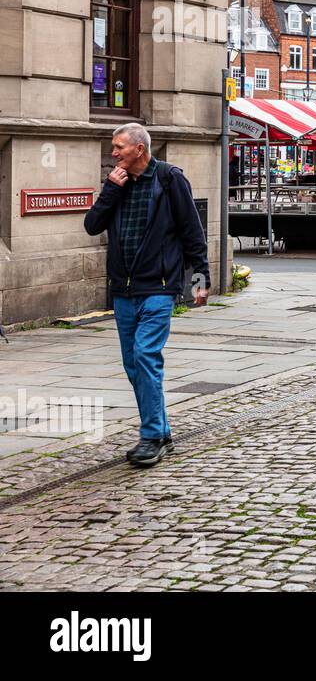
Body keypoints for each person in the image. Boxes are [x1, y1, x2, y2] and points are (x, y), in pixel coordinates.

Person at [82, 124, 209, 469]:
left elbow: (192, 231)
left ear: (139, 149)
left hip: (159, 286)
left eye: (119, 147)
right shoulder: (117, 184)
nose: (113, 153)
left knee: (145, 355)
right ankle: (162, 430)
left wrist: (200, 277)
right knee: (133, 363)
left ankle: (151, 436)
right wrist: (110, 191)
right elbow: (92, 225)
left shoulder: (169, 179)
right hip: (123, 289)